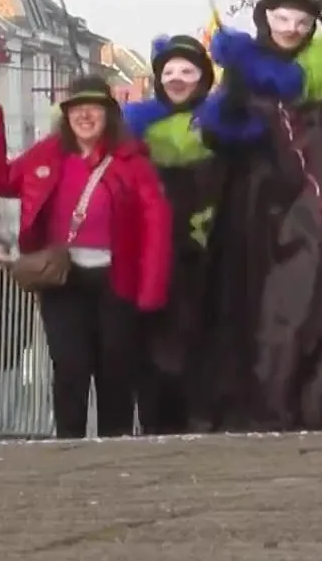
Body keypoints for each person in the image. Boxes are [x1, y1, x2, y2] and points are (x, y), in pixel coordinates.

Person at [193, 0, 322, 430]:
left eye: (303, 20)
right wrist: (231, 108)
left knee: (315, 305)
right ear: (265, 18)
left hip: (313, 207)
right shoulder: (245, 70)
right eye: (282, 18)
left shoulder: (321, 71)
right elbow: (213, 136)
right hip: (256, 209)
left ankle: (311, 406)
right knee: (261, 311)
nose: (292, 28)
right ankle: (264, 408)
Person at [0, 75, 171, 439]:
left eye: (93, 108)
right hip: (62, 277)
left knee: (115, 369)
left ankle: (115, 444)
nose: (84, 116)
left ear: (108, 115)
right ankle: (68, 446)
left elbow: (156, 228)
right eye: (76, 109)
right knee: (69, 368)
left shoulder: (132, 163)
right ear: (65, 116)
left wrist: (151, 291)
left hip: (117, 279)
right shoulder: (48, 153)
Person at [120, 33, 222, 435]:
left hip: (212, 253)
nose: (177, 79)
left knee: (205, 338)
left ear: (204, 77)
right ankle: (156, 424)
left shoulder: (221, 129)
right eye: (169, 71)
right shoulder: (137, 131)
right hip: (154, 256)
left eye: (188, 70)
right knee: (154, 346)